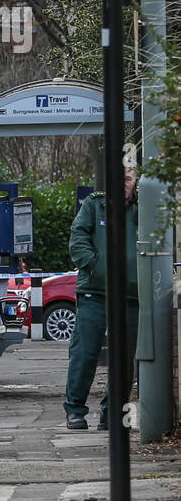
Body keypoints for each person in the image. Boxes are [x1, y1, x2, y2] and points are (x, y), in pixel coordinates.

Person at [64, 167, 139, 430]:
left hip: (130, 296)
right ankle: (75, 410)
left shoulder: (143, 209)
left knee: (124, 358)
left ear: (136, 183)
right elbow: (78, 238)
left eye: (128, 178)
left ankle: (112, 412)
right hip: (95, 293)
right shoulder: (95, 205)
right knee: (85, 352)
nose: (123, 183)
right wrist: (95, 265)